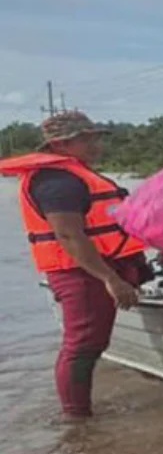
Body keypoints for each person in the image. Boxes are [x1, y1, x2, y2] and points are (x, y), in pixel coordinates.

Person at [0, 111, 146, 419]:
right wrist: (111, 279)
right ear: (61, 143)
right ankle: (77, 418)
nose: (95, 145)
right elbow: (68, 235)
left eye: (95, 137)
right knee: (83, 343)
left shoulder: (75, 174)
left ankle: (79, 412)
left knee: (91, 341)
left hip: (95, 266)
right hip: (78, 271)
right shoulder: (57, 181)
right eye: (86, 139)